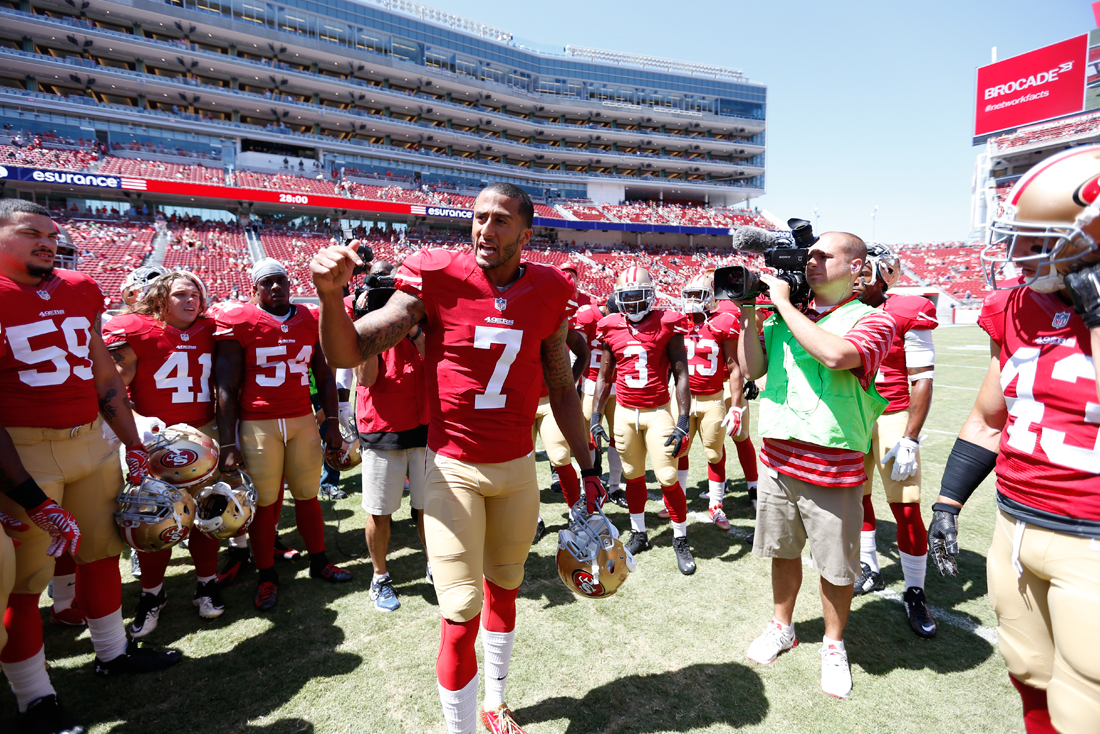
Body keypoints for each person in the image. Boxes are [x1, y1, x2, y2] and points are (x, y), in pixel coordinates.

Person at [310, 183, 603, 734]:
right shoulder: (435, 276)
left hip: (518, 470)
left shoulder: (550, 289)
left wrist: (588, 469)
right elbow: (349, 350)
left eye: (499, 220)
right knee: (461, 608)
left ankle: (495, 700)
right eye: (478, 217)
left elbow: (562, 387)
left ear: (526, 232)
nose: (485, 229)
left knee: (506, 589)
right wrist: (330, 298)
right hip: (453, 468)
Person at [929, 146, 1100, 734]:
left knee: (1086, 701)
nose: (1019, 256)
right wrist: (949, 503)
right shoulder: (1016, 307)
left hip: (1091, 536)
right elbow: (986, 417)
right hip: (1015, 523)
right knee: (1028, 669)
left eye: (1037, 239)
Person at [0, 199, 180, 734]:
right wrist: (29, 495)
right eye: (32, 232)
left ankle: (112, 653)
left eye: (53, 235)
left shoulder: (79, 288)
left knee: (102, 553)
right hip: (23, 450)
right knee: (25, 580)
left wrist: (134, 447)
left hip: (91, 443)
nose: (48, 242)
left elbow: (105, 376)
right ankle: (35, 699)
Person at [737, 231, 895, 700]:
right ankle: (782, 626)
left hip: (834, 462)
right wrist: (750, 312)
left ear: (857, 267)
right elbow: (753, 370)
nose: (812, 262)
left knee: (835, 564)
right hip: (778, 456)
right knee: (782, 550)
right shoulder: (788, 316)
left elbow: (837, 354)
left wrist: (782, 306)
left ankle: (833, 643)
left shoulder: (871, 318)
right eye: (809, 255)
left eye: (825, 256)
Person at [213, 258, 352, 612]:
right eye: (267, 283)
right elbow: (226, 386)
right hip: (258, 422)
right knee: (264, 503)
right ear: (254, 289)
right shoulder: (239, 320)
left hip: (301, 419)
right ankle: (267, 576)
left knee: (307, 495)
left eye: (281, 281)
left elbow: (324, 375)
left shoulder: (309, 317)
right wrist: (228, 443)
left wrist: (332, 421)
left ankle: (319, 561)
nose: (276, 288)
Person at [103, 270, 226, 634]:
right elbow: (110, 387)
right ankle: (152, 593)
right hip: (157, 441)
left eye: (197, 294)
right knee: (154, 517)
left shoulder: (210, 327)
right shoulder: (133, 329)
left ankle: (206, 583)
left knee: (206, 514)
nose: (192, 300)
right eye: (181, 295)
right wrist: (140, 425)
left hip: (203, 436)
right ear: (159, 299)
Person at [851, 243, 938, 639]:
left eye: (864, 269)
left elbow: (922, 378)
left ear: (884, 273)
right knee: (859, 498)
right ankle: (869, 566)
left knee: (905, 508)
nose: (856, 277)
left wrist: (911, 438)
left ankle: (915, 589)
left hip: (891, 416)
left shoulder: (906, 310)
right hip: (852, 416)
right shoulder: (842, 310)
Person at [590, 266, 696, 574]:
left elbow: (680, 374)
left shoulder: (667, 322)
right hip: (623, 413)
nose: (634, 304)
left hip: (657, 411)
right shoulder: (610, 325)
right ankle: (639, 532)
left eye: (639, 297)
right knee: (633, 475)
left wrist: (683, 419)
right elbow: (605, 375)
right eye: (627, 298)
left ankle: (680, 537)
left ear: (650, 296)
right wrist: (597, 414)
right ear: (618, 299)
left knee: (667, 477)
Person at [351, 268, 430, 613]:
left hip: (426, 426)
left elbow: (437, 361)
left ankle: (435, 564)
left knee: (430, 508)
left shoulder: (424, 323)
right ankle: (380, 576)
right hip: (383, 428)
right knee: (380, 512)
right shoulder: (370, 326)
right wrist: (371, 327)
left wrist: (411, 327)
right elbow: (366, 378)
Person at [666, 272, 753, 532]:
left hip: (712, 398)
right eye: (689, 295)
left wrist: (735, 406)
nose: (692, 300)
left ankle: (716, 504)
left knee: (714, 453)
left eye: (698, 295)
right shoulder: (676, 322)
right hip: (682, 399)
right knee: (677, 449)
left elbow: (734, 367)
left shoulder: (723, 322)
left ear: (711, 298)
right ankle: (678, 499)